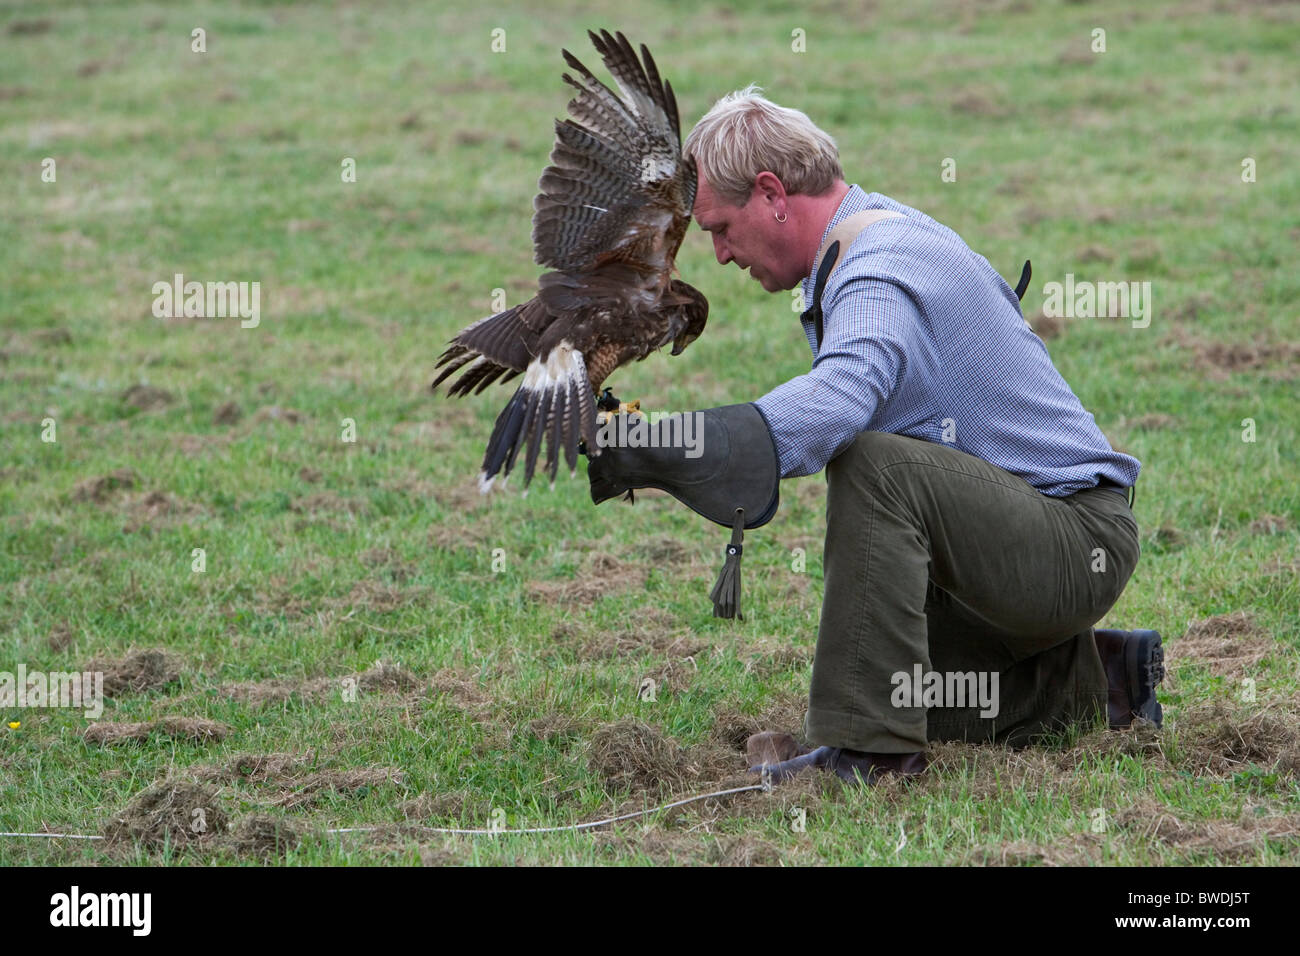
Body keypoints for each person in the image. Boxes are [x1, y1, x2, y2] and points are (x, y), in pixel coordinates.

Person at [587, 86, 1164, 785]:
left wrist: (665, 442)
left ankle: (871, 756)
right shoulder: (875, 231)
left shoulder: (875, 263)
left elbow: (837, 404)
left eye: (719, 226)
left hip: (1074, 542)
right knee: (900, 686)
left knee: (873, 467)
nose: (716, 255)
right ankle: (1099, 683)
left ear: (771, 192)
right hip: (1029, 542)